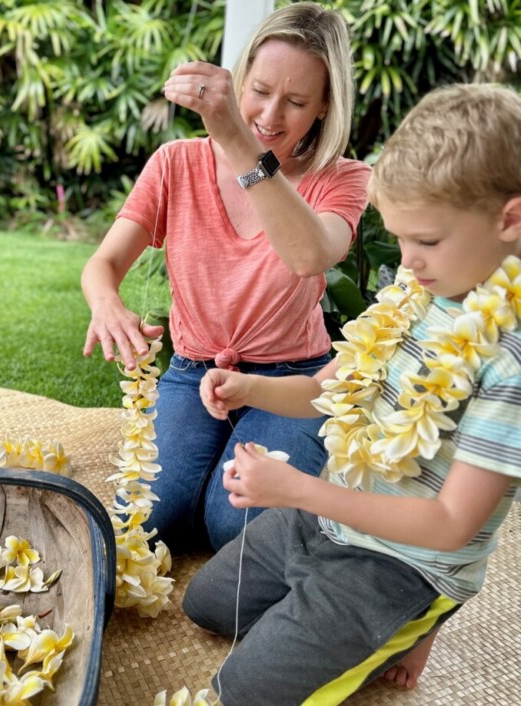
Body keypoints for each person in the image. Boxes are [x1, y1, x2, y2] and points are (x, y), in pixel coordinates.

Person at [187, 82, 521, 705]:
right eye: (400, 239)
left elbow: (451, 526)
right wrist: (250, 388)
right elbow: (324, 391)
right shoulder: (416, 295)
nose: (408, 261)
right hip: (331, 516)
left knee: (242, 691)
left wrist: (297, 490)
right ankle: (332, 614)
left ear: (510, 218)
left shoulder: (509, 361)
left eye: (426, 240)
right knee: (204, 604)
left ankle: (415, 617)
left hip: (405, 562)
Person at [81, 2, 371, 553]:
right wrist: (106, 303)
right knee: (143, 524)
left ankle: (305, 473)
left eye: (296, 101)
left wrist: (240, 142)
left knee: (235, 531)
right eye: (259, 90)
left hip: (291, 383)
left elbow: (310, 255)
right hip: (194, 374)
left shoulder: (343, 179)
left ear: (325, 107)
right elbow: (103, 265)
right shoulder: (175, 162)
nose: (269, 113)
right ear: (240, 77)